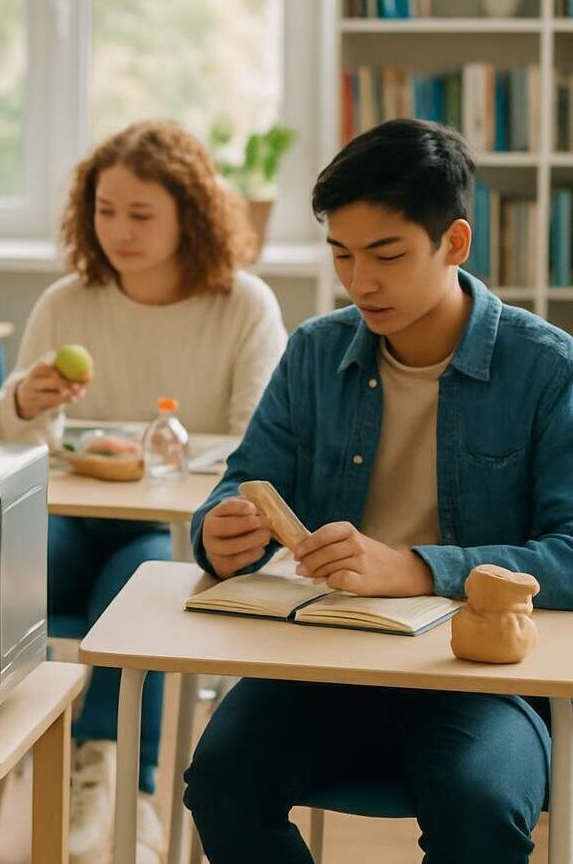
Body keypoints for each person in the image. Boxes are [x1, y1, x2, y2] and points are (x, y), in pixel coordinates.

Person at [186, 118, 573, 864]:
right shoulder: (315, 352)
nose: (359, 281)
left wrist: (420, 569)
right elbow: (241, 482)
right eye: (341, 254)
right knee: (221, 783)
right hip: (327, 661)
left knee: (480, 808)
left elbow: (569, 553)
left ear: (454, 244)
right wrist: (220, 532)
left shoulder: (547, 370)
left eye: (386, 255)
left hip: (479, 680)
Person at [0, 121, 287, 862]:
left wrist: (150, 450)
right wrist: (26, 400)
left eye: (141, 213)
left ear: (191, 213)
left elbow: (262, 448)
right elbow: (5, 454)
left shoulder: (243, 306)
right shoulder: (67, 302)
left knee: (142, 581)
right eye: (105, 210)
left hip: (179, 536)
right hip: (73, 522)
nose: (119, 230)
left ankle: (115, 782)